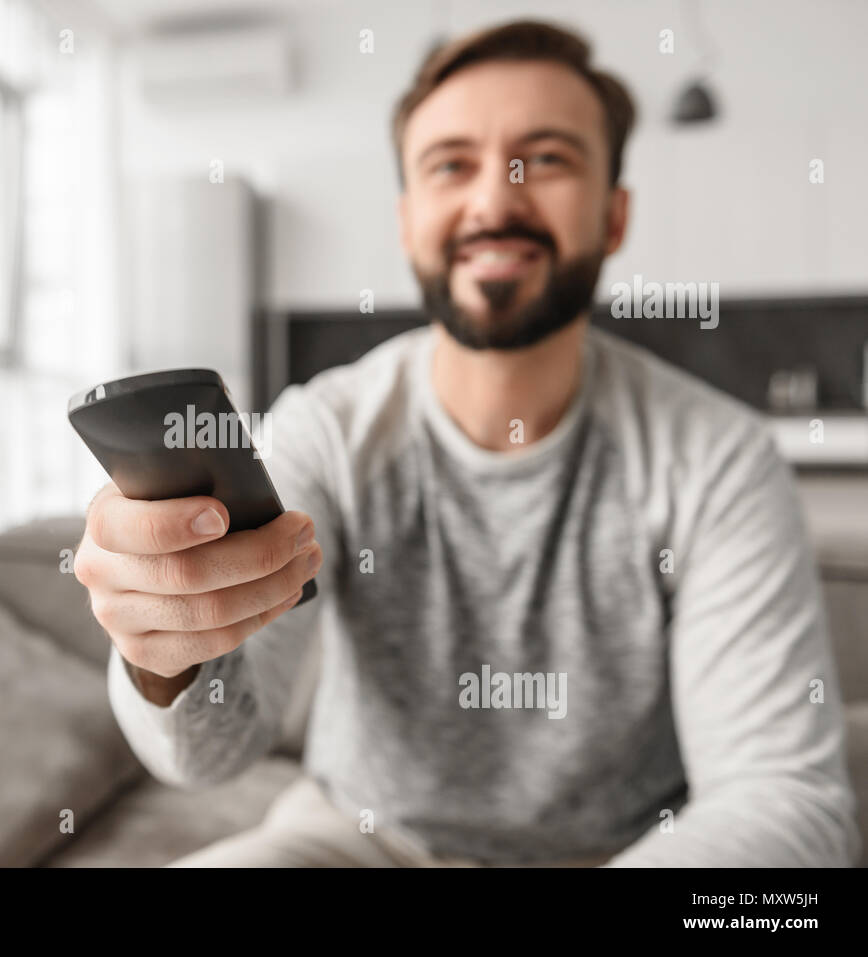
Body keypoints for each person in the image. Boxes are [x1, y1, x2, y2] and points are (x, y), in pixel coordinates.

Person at [73, 19, 859, 866]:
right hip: (357, 842)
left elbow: (789, 808)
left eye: (548, 159)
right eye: (451, 165)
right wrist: (165, 655)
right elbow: (205, 757)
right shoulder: (327, 432)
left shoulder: (719, 458)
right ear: (410, 222)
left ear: (615, 213)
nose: (494, 200)